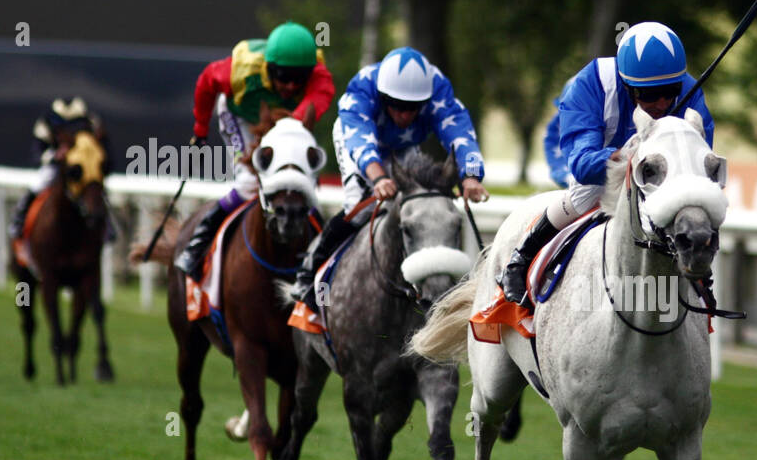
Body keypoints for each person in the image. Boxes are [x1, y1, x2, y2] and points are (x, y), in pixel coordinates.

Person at [499, 21, 714, 305]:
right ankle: (520, 259)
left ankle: (699, 266)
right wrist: (623, 157)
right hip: (602, 176)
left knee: (698, 202)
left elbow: (701, 156)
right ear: (627, 85)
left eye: (670, 90)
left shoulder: (689, 88)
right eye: (649, 95)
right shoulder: (589, 84)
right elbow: (582, 164)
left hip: (662, 181)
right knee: (581, 195)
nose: (662, 103)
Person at [291, 46, 489, 310]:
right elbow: (361, 141)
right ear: (383, 96)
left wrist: (471, 176)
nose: (405, 115)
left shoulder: (437, 87)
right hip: (358, 140)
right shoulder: (363, 87)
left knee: (420, 208)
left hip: (403, 147)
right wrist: (378, 178)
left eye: (414, 108)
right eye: (397, 106)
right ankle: (308, 272)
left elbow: (459, 132)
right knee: (360, 207)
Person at [173, 22, 335, 278]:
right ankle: (196, 246)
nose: (291, 86)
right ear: (269, 68)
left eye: (299, 79)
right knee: (250, 182)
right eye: (283, 76)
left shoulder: (320, 78)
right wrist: (200, 128)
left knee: (301, 182)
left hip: (287, 122)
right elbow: (205, 83)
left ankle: (326, 250)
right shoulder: (237, 71)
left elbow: (306, 114)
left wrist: (285, 133)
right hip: (241, 116)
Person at [8, 98, 111, 240]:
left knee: (96, 189)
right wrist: (54, 156)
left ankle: (108, 227)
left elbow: (104, 150)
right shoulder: (44, 126)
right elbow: (36, 154)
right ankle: (20, 220)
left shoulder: (93, 123)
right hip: (57, 167)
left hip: (83, 165)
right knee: (39, 183)